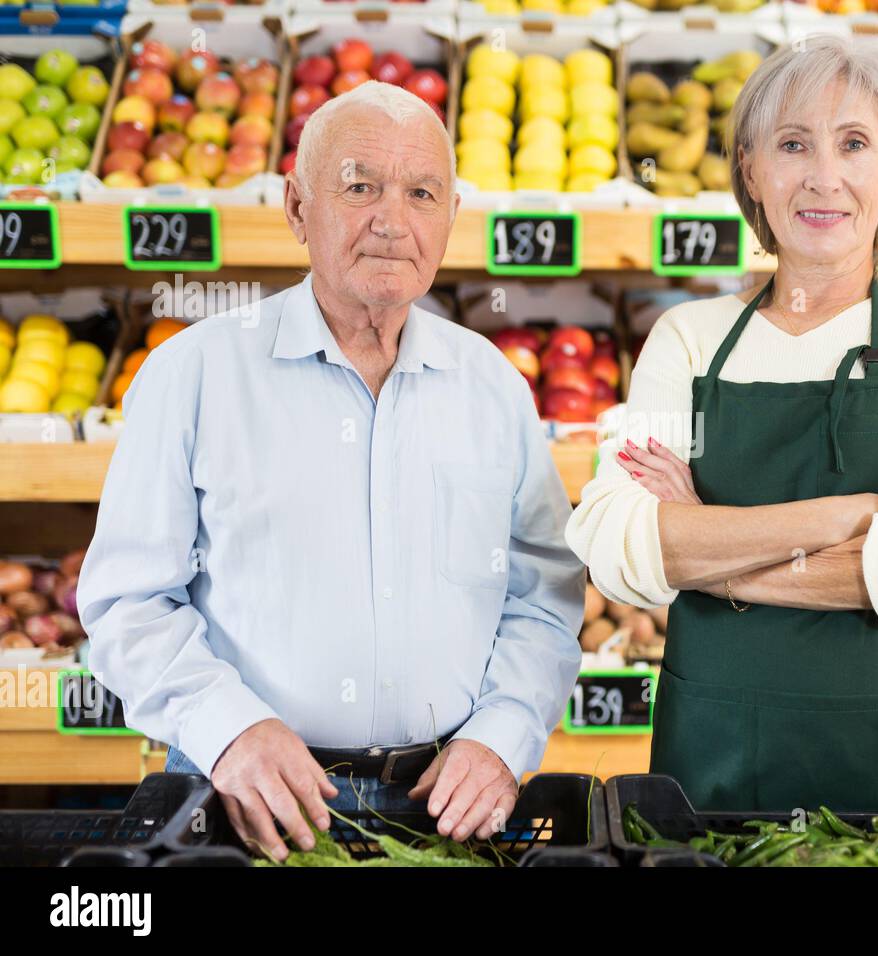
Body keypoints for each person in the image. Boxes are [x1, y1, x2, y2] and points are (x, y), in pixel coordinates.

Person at [77, 82, 585, 861]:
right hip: (243, 803)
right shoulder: (194, 373)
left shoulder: (492, 387)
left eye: (422, 193)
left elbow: (543, 597)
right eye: (359, 186)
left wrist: (505, 731)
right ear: (296, 207)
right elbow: (127, 599)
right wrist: (230, 728)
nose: (392, 220)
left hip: (442, 812)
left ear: (450, 216)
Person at [566, 36, 878, 812]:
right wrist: (849, 517)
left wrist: (705, 543)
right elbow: (615, 546)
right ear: (751, 169)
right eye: (792, 144)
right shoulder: (688, 339)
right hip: (713, 767)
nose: (823, 176)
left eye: (853, 144)